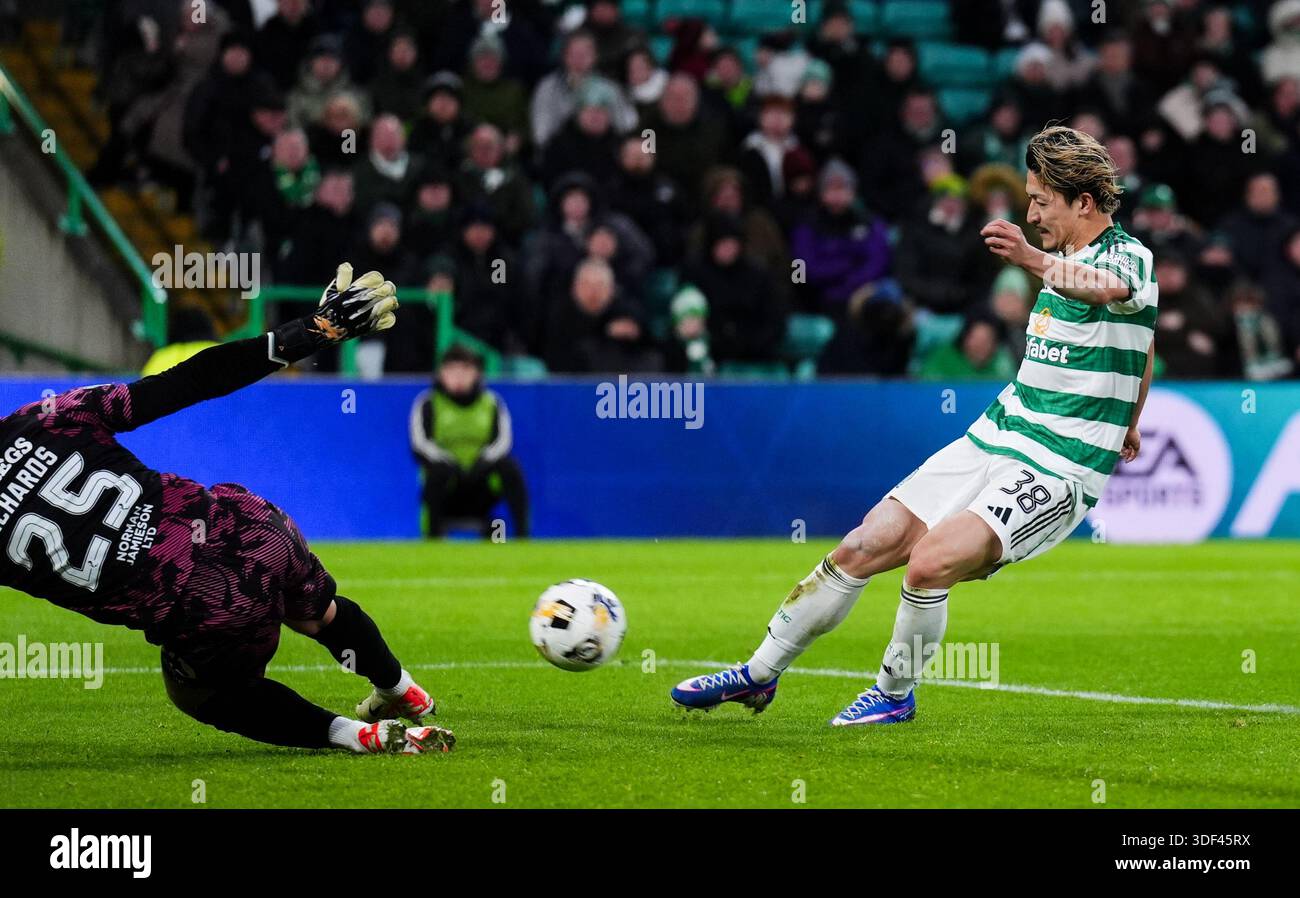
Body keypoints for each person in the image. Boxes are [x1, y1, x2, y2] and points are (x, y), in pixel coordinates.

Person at [671, 126, 1158, 726]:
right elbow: (1145, 343)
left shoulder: (1127, 257)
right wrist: (1132, 418)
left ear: (1083, 202)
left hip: (1060, 463)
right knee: (863, 544)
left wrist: (1033, 261)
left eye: (1041, 201)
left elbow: (1112, 292)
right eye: (1030, 200)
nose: (1031, 214)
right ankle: (758, 674)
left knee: (930, 563)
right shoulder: (1061, 264)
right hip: (994, 434)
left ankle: (895, 692)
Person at [0, 263, 455, 754]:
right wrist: (312, 331)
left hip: (202, 609)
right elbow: (191, 380)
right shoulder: (43, 417)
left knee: (200, 692)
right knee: (319, 615)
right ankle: (403, 690)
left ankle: (355, 735)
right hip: (249, 527)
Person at [409, 346, 530, 539]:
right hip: (447, 484)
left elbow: (503, 443)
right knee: (437, 473)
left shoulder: (492, 403)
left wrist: (482, 463)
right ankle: (432, 537)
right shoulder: (428, 403)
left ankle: (523, 536)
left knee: (510, 468)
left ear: (476, 374)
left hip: (481, 483)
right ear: (441, 374)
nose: (458, 377)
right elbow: (419, 444)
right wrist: (448, 463)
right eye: (451, 371)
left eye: (465, 370)